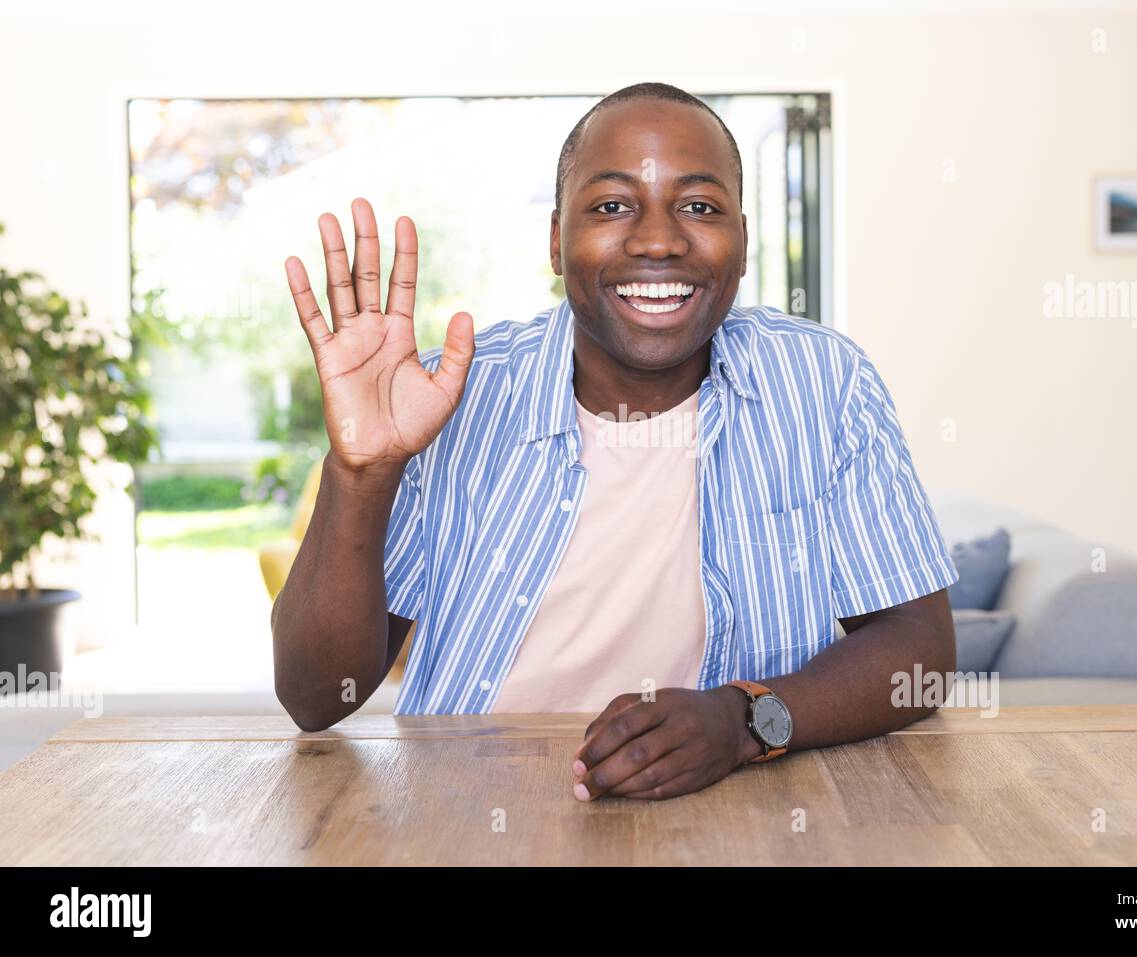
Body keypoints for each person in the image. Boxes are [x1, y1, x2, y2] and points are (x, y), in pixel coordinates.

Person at [273, 82, 958, 802]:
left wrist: (743, 719)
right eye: (610, 206)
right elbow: (317, 697)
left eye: (698, 206)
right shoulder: (455, 396)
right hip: (465, 817)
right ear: (554, 240)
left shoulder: (824, 383)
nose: (658, 240)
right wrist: (362, 472)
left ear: (745, 242)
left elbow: (921, 650)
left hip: (733, 819)